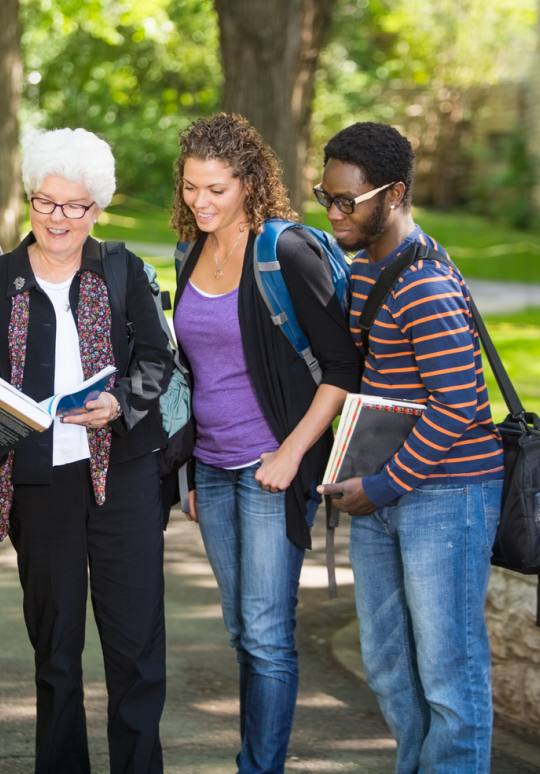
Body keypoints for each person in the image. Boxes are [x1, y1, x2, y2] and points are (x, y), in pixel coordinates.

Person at [0, 128, 173, 774]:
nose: (57, 219)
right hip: (41, 485)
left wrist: (120, 405)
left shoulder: (124, 270)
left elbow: (158, 362)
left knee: (136, 654)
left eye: (73, 206)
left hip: (125, 483)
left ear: (96, 209)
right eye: (45, 203)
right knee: (56, 656)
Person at [170, 113, 362, 774]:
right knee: (240, 631)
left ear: (249, 183)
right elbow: (192, 373)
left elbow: (342, 367)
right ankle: (257, 758)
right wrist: (189, 473)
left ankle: (260, 766)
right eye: (192, 186)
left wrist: (290, 453)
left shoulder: (285, 251)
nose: (201, 201)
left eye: (216, 189)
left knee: (266, 634)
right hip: (213, 470)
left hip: (269, 467)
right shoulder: (188, 251)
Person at [317, 122, 505, 774]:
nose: (336, 214)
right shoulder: (363, 269)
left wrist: (383, 484)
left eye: (349, 201)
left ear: (393, 195)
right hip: (383, 492)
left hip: (446, 496)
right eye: (327, 197)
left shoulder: (424, 284)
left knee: (450, 674)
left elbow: (460, 405)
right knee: (392, 669)